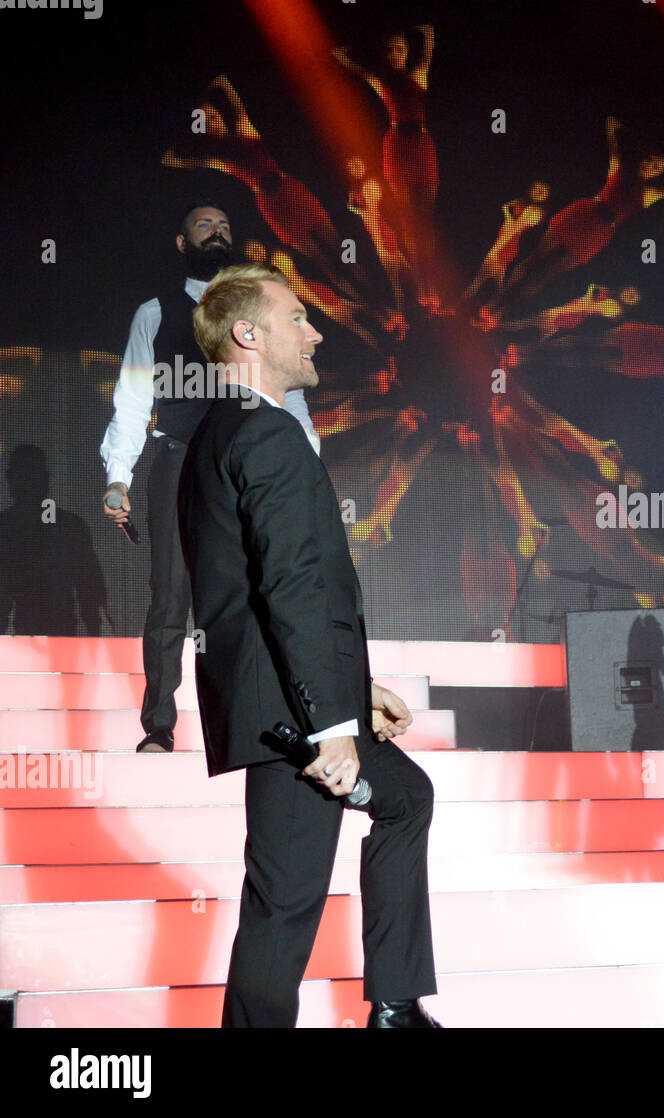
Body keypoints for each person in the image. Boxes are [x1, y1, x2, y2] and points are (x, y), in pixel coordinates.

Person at [179, 263, 438, 1028]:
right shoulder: (264, 432)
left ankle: (394, 1003)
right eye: (298, 318)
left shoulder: (221, 434)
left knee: (406, 798)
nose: (315, 331)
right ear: (247, 333)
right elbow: (290, 587)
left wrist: (357, 693)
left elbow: (274, 589)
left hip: (295, 699)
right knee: (283, 906)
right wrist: (332, 724)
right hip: (294, 718)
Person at [100, 200, 319, 753]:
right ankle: (159, 726)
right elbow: (132, 401)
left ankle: (261, 723)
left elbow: (287, 395)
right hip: (177, 458)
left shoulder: (253, 316)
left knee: (252, 590)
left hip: (245, 463)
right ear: (182, 243)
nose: (217, 232)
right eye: (205, 225)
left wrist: (307, 463)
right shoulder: (155, 313)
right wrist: (118, 475)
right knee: (171, 595)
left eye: (224, 226)